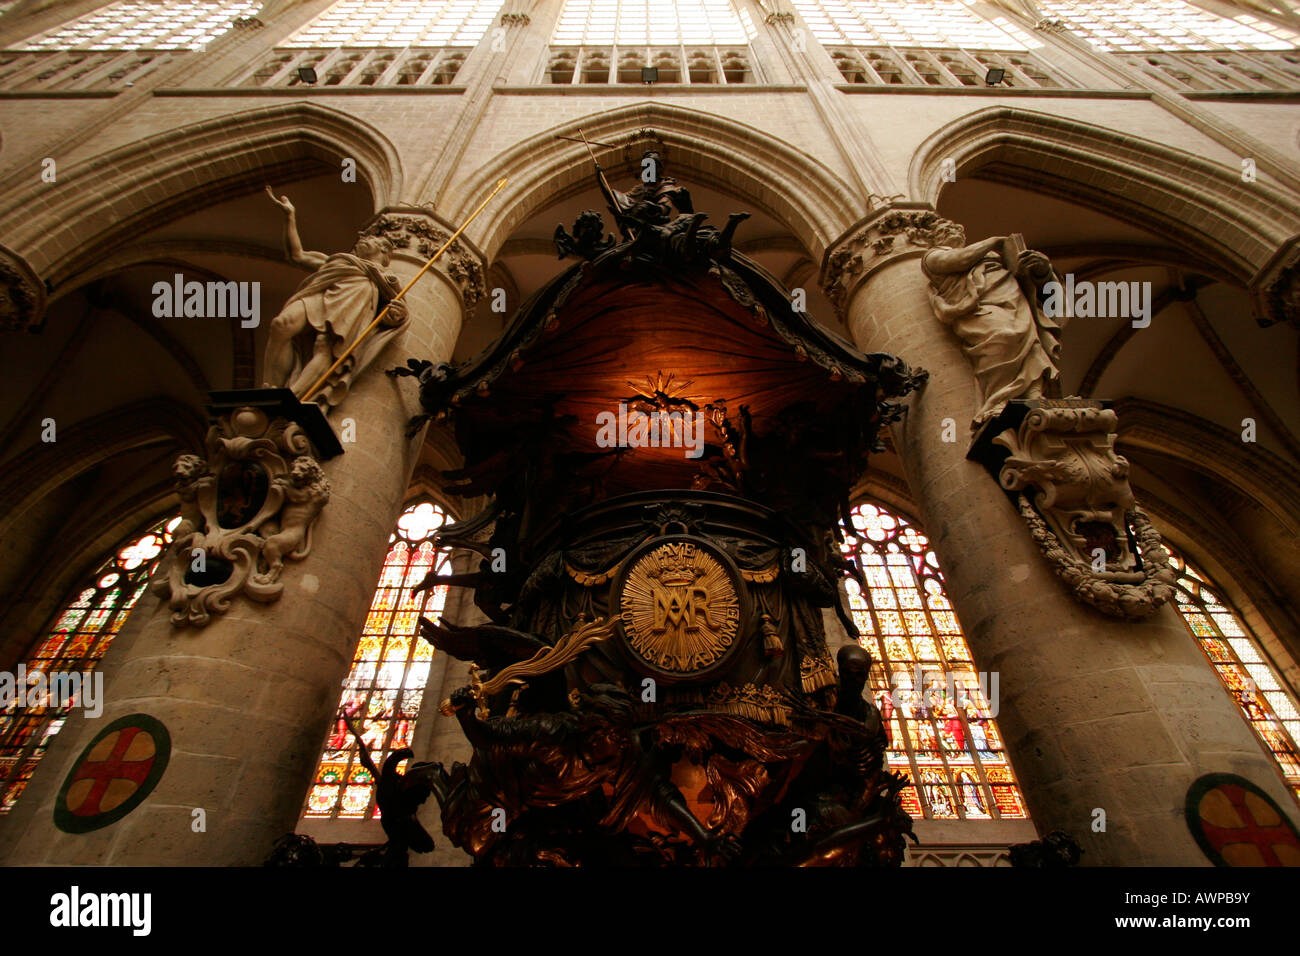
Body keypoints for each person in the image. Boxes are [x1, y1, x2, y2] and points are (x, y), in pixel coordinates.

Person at [263, 187, 409, 412]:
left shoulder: (385, 278)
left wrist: (398, 313)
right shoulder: (339, 261)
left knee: (327, 348)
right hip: (320, 297)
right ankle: (270, 388)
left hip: (352, 302)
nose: (363, 239)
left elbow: (397, 313)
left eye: (370, 239)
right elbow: (297, 255)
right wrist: (290, 216)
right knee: (281, 325)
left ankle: (293, 398)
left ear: (382, 249)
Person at [921, 222, 1061, 428]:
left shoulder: (990, 255)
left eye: (956, 229)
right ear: (933, 238)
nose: (952, 231)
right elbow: (960, 260)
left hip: (1012, 297)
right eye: (944, 230)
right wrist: (994, 241)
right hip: (981, 306)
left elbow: (1044, 293)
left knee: (1032, 344)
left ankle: (1034, 394)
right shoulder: (932, 258)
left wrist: (1042, 270)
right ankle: (1000, 398)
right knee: (1003, 337)